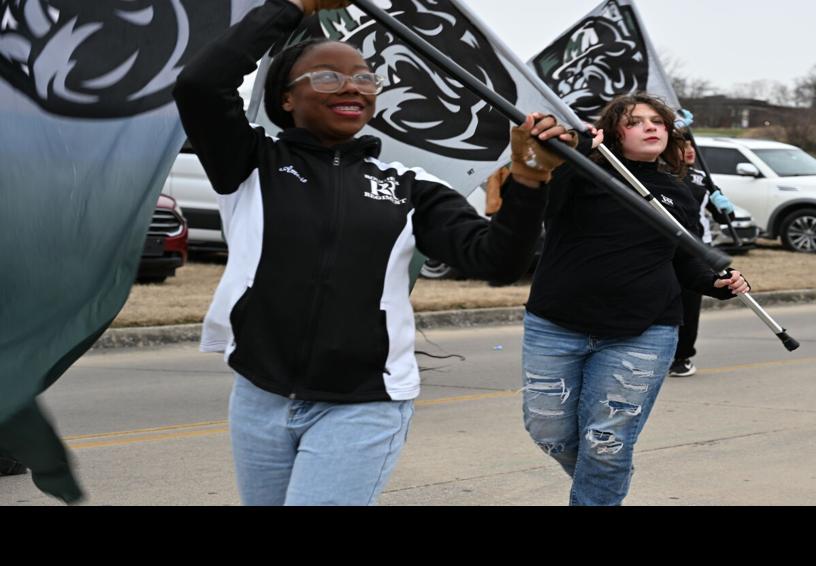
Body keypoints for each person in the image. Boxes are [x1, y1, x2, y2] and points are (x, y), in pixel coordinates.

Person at [175, 0, 576, 505]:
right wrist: (293, 8)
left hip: (363, 404)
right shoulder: (251, 164)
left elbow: (495, 259)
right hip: (261, 395)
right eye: (325, 77)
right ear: (285, 99)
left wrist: (528, 180)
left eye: (365, 78)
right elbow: (199, 86)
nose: (351, 87)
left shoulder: (412, 187)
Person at [521, 93, 750, 506]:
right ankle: (605, 476)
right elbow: (540, 204)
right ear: (611, 131)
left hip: (644, 332)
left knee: (606, 442)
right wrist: (580, 151)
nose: (652, 127)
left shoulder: (677, 191)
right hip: (556, 325)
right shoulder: (577, 173)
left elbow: (684, 257)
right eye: (637, 121)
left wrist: (717, 282)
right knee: (548, 433)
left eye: (658, 121)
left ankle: (602, 484)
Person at [669, 126, 739, 377]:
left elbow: (722, 216)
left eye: (691, 146)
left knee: (689, 303)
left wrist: (724, 206)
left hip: (698, 248)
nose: (688, 151)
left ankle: (682, 356)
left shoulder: (701, 177)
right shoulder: (660, 175)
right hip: (666, 247)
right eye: (682, 145)